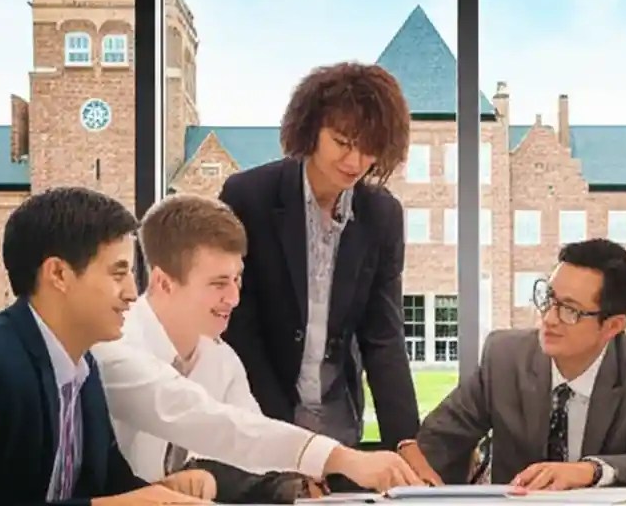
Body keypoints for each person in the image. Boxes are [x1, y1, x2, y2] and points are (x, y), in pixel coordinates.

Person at [0, 187, 214, 505]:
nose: (131, 292)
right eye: (118, 274)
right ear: (58, 274)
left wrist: (164, 492)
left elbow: (109, 488)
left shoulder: (83, 370)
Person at [93, 193, 423, 502]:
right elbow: (210, 421)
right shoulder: (116, 347)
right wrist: (341, 457)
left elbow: (253, 451)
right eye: (218, 284)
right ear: (163, 282)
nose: (234, 298)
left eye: (237, 279)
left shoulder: (220, 358)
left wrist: (213, 477)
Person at [219, 62, 421, 455]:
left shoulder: (382, 215)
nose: (355, 162)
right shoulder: (249, 196)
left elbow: (384, 337)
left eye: (368, 149)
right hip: (259, 412)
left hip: (337, 424)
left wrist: (407, 440)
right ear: (311, 129)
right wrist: (284, 443)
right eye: (343, 142)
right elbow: (240, 329)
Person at [405, 239, 626, 489]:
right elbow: (438, 440)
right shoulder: (504, 358)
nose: (549, 318)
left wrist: (591, 470)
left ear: (613, 326)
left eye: (570, 310)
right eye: (549, 298)